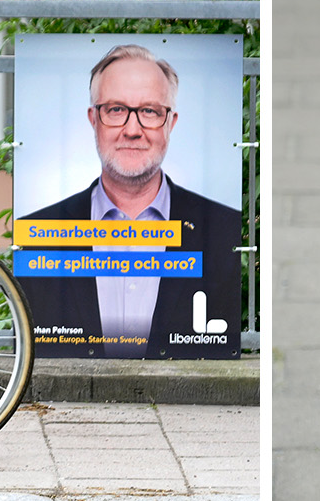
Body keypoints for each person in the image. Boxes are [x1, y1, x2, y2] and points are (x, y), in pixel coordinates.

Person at [18, 44, 240, 359]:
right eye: (116, 110)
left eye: (149, 111)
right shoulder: (39, 233)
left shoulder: (222, 228)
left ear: (170, 123)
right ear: (93, 119)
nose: (132, 130)